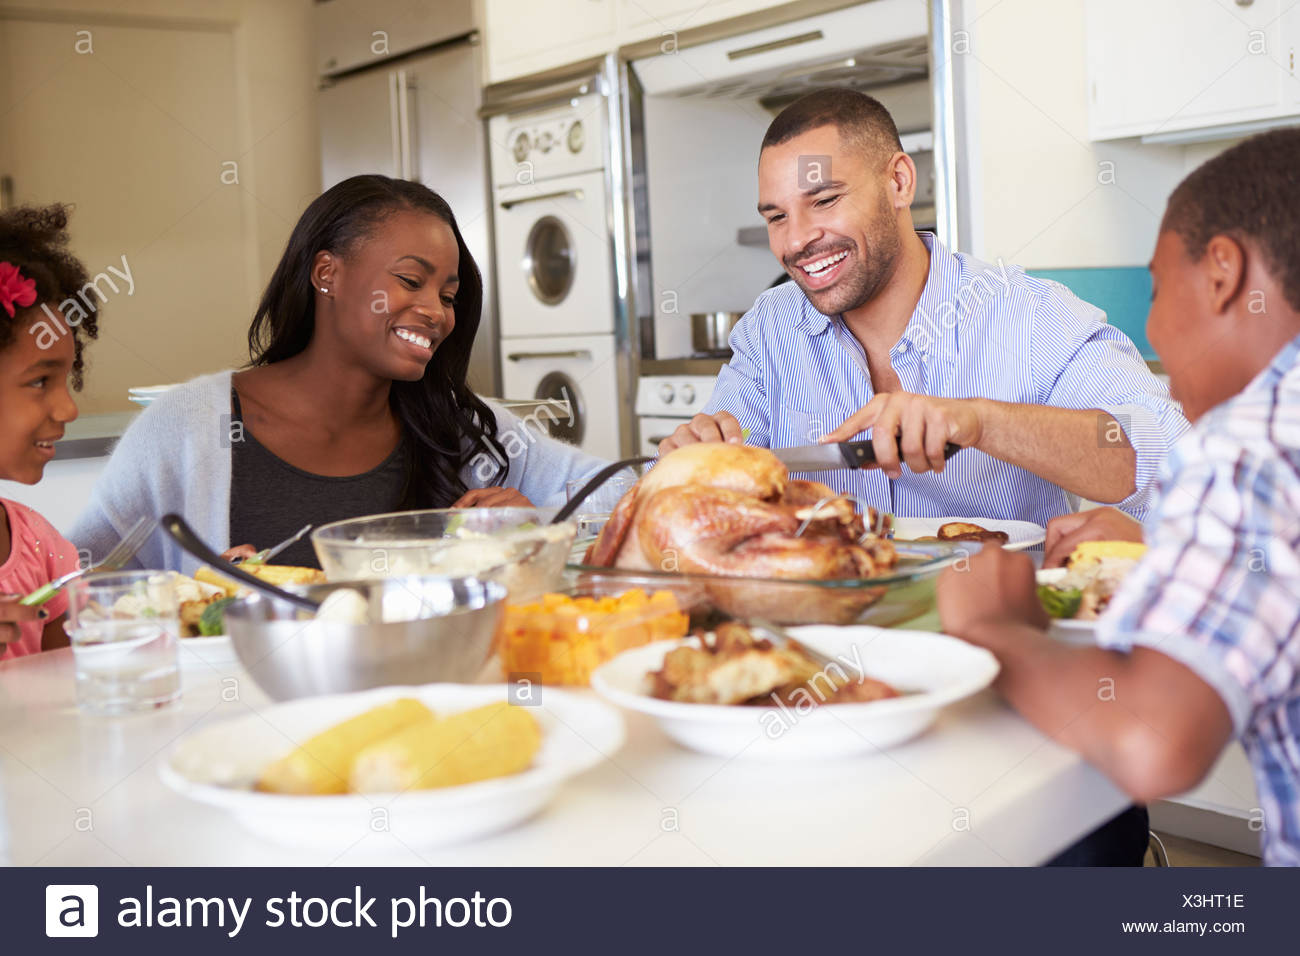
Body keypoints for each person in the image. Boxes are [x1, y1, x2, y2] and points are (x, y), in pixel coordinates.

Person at [937, 128, 1300, 865]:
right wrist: (1172, 554)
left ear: (1224, 273)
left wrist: (996, 629)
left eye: (1158, 289)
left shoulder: (1245, 444)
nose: (1150, 326)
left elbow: (1152, 743)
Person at [661, 89, 1187, 527]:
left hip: (990, 635)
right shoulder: (770, 331)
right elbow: (723, 491)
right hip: (819, 635)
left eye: (824, 201)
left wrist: (981, 422)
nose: (797, 240)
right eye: (777, 216)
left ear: (898, 182)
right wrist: (699, 461)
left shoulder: (1026, 315)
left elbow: (1171, 458)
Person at [72, 176, 609, 571]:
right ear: (327, 273)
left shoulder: (460, 427)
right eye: (410, 280)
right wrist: (189, 600)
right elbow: (73, 590)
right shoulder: (185, 428)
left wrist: (542, 522)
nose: (437, 312)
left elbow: (623, 495)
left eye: (448, 296)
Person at [0, 204, 99, 659]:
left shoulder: (37, 544)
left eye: (65, 379)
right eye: (40, 381)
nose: (68, 407)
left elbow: (64, 691)